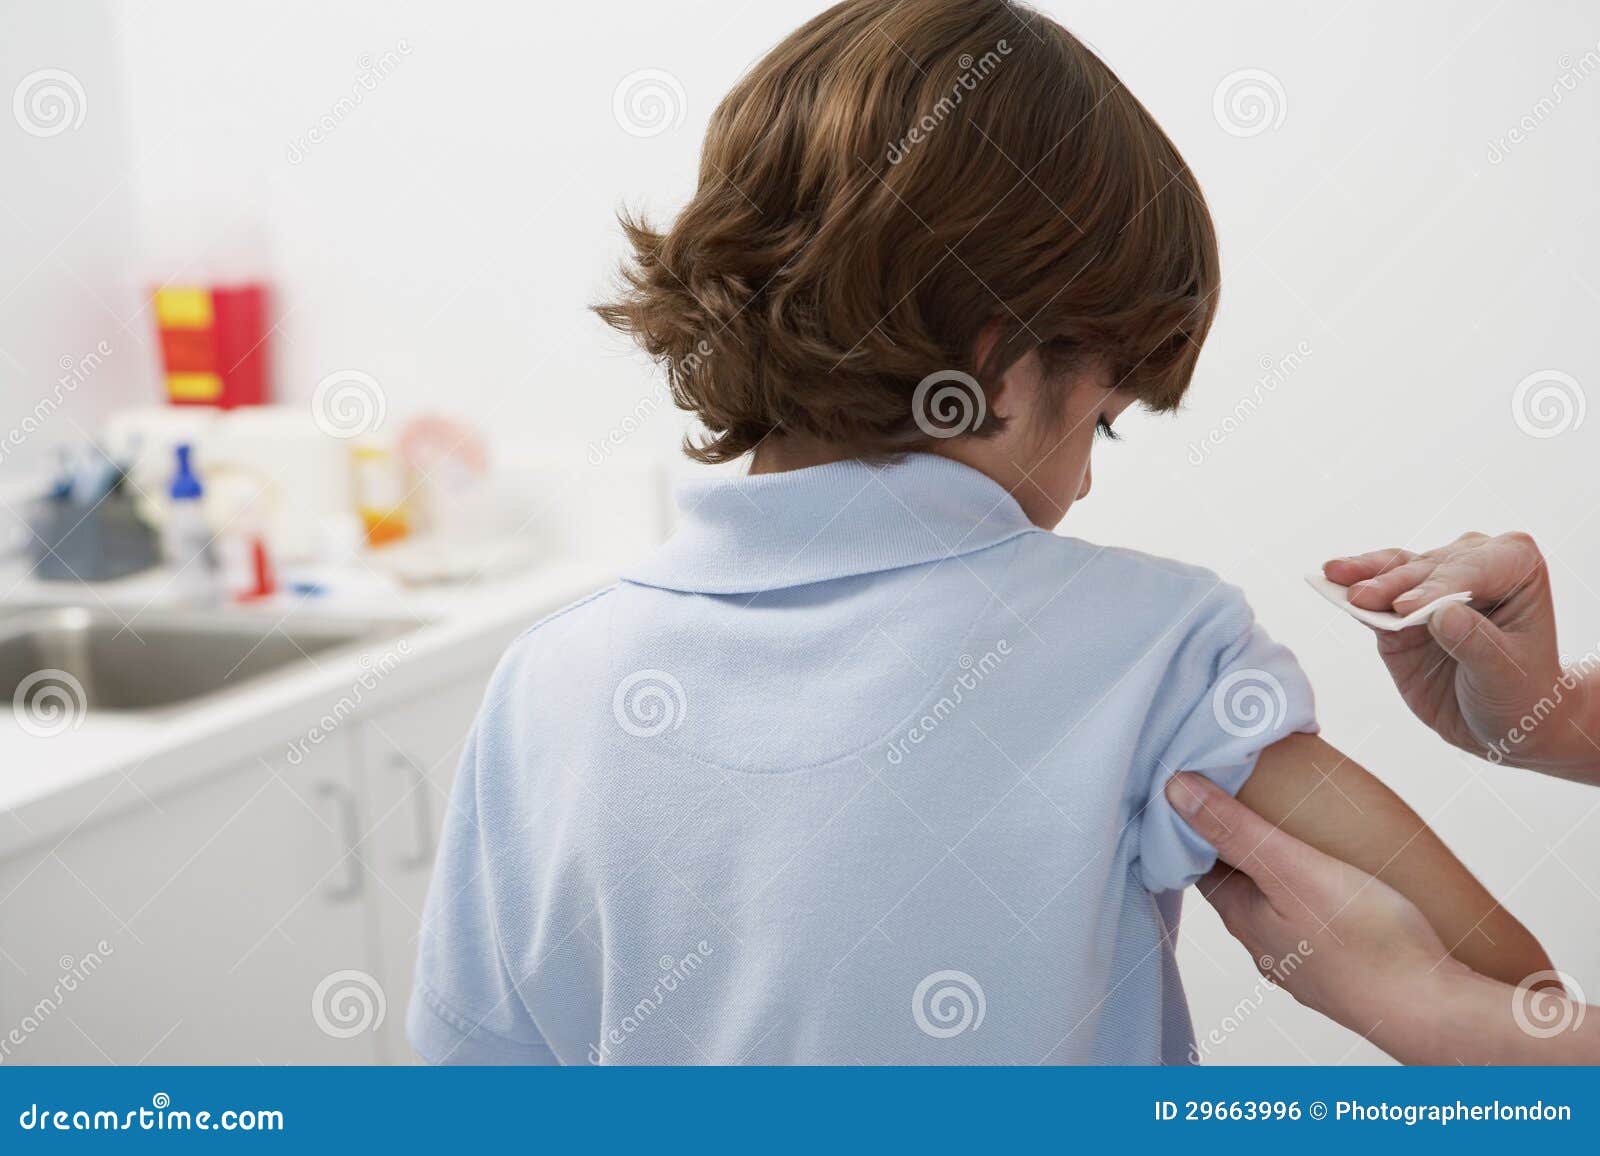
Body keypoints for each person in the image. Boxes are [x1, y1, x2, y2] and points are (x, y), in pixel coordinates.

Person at [406, 0, 1549, 1065]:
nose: (1086, 485)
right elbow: (1506, 994)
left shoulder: (545, 684)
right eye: (1103, 421)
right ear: (1000, 368)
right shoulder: (1149, 646)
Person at [1174, 532, 1600, 1062]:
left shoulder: (1160, 641)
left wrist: (1427, 1006)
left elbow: (1527, 1003)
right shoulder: (1164, 640)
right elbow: (1528, 998)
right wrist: (1561, 719)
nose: (1087, 487)